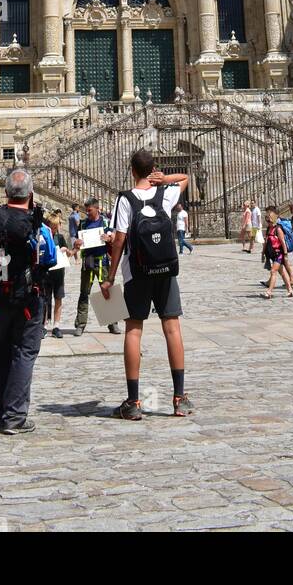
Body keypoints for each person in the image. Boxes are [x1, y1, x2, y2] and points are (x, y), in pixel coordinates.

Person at [102, 148, 194, 420]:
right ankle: (179, 399)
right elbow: (185, 177)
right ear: (153, 169)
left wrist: (110, 278)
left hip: (136, 274)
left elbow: (119, 239)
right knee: (172, 328)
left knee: (133, 331)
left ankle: (133, 402)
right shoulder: (165, 193)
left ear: (132, 170)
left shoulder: (126, 200)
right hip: (165, 271)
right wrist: (163, 179)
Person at [0, 168, 45, 434]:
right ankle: (15, 415)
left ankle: (4, 407)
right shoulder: (34, 224)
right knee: (24, 352)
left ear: (6, 192)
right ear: (30, 194)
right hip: (27, 297)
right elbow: (48, 258)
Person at [73, 197, 118, 335]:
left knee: (108, 293)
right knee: (84, 293)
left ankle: (113, 324)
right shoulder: (83, 224)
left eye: (89, 210)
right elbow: (76, 241)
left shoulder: (105, 222)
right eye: (86, 210)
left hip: (102, 262)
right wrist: (77, 243)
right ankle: (80, 325)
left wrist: (109, 238)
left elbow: (115, 238)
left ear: (97, 209)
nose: (87, 213)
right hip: (88, 262)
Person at [260, 209, 293, 300]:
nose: (268, 222)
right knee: (282, 272)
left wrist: (285, 255)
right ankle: (290, 290)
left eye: (269, 220)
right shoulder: (269, 229)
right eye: (267, 220)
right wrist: (263, 254)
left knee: (273, 271)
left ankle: (269, 292)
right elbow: (266, 242)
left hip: (279, 254)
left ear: (273, 219)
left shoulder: (278, 229)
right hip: (272, 254)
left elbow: (282, 242)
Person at [43, 212, 67, 338]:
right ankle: (44, 325)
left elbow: (67, 253)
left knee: (58, 298)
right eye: (52, 226)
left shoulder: (60, 238)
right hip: (46, 273)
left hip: (58, 273)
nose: (53, 229)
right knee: (45, 299)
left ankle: (56, 325)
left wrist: (66, 250)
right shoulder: (44, 237)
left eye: (55, 226)